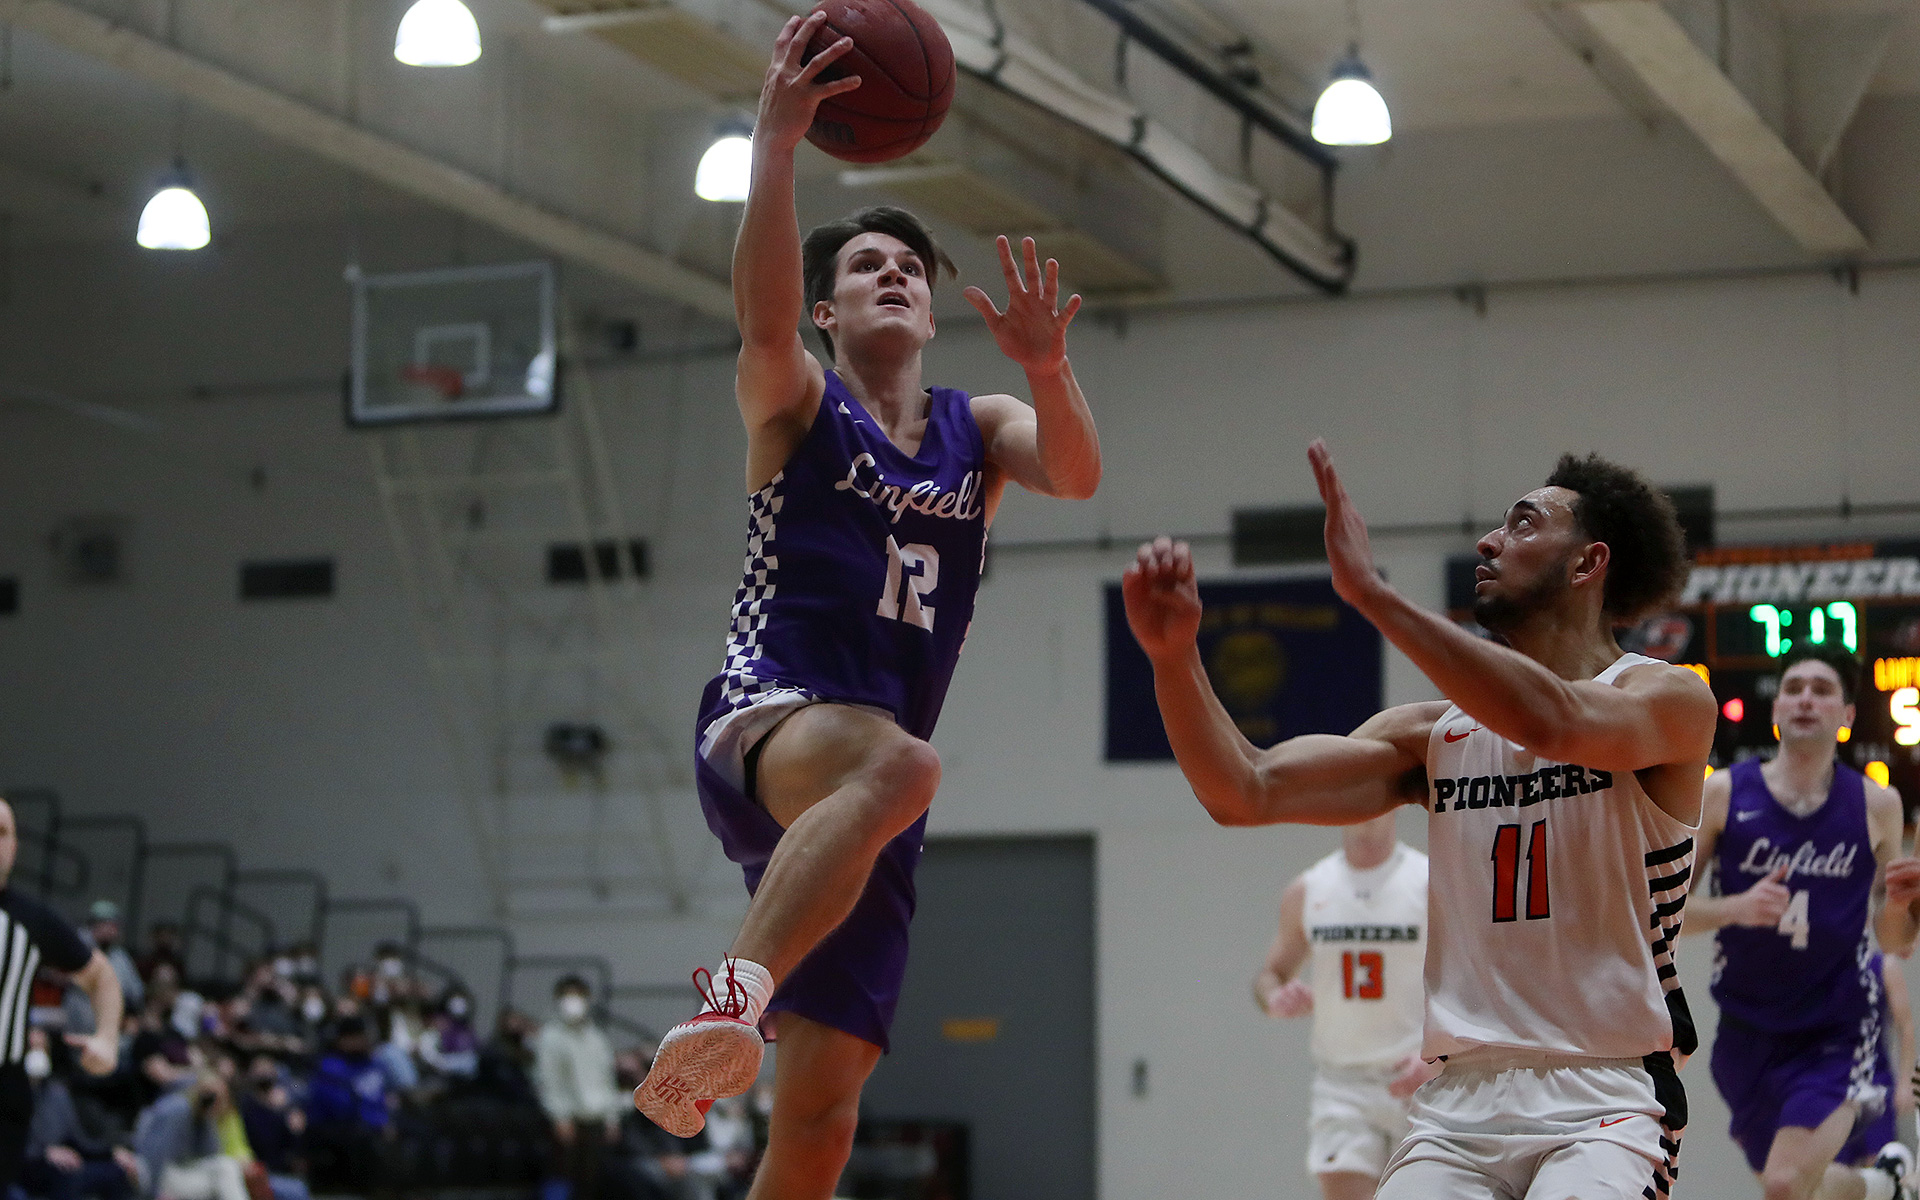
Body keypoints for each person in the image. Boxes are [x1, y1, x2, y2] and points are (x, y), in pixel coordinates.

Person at [631, 12, 1103, 1194]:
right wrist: (777, 147)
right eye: (863, 268)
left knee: (826, 1116)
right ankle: (734, 994)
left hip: (867, 796)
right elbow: (759, 314)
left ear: (933, 316)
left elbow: (1082, 473)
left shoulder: (979, 429)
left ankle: (746, 1028)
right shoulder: (795, 400)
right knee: (906, 769)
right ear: (829, 312)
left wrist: (1049, 364)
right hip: (770, 719)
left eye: (909, 268)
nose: (892, 272)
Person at [1123, 445, 1717, 1199]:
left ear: (1586, 563)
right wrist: (1172, 659)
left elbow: (1557, 720)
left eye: (1523, 523)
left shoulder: (1664, 699)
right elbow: (1246, 791)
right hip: (1457, 1106)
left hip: (1604, 1096)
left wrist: (1374, 596)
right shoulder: (1434, 735)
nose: (1489, 541)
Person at [1681, 647, 1920, 1200]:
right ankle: (1886, 1186)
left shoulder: (1876, 803)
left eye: (1820, 688)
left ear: (1847, 715)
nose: (1805, 698)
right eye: (1793, 688)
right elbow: (1662, 913)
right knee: (1798, 1187)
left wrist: (1905, 910)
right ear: (1776, 709)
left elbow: (1892, 942)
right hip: (1744, 1031)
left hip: (1836, 1027)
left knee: (1786, 1184)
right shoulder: (1723, 793)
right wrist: (1734, 908)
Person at [1254, 812, 1435, 1200]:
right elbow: (1271, 974)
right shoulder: (1309, 888)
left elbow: (1471, 980)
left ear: (1397, 801)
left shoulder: (1428, 880)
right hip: (1343, 1083)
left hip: (1420, 1077)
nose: (1366, 805)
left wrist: (1441, 1056)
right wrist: (1274, 997)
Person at [0, 798, 123, 1196]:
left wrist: (106, 1036)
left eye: (2, 833)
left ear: (16, 846)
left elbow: (101, 976)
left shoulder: (29, 919)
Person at [20, 1028, 142, 1200]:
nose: (37, 1054)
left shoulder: (57, 1092)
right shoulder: (8, 1094)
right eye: (32, 1048)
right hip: (26, 1165)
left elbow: (77, 1139)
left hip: (62, 1163)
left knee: (117, 1173)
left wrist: (111, 1152)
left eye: (42, 1048)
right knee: (66, 1175)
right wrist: (44, 1153)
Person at [537, 977, 621, 1200]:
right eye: (567, 996)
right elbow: (549, 1080)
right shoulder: (551, 1036)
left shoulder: (596, 1037)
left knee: (590, 1180)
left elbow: (606, 1079)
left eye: (578, 996)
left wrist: (612, 1117)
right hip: (568, 1119)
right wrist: (559, 1116)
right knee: (562, 1175)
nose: (573, 1002)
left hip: (596, 1118)